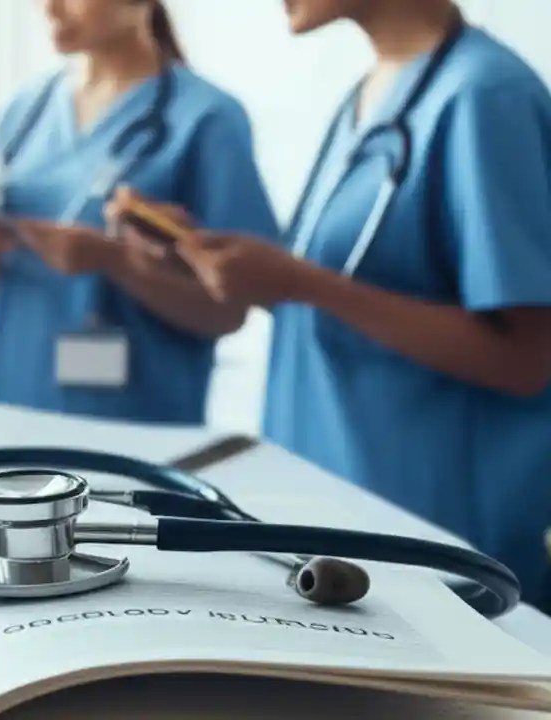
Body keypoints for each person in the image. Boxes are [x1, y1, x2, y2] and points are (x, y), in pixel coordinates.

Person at [167, 0, 551, 606]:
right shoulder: (370, 95)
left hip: (442, 559)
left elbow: (528, 359)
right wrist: (230, 266)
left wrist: (303, 282)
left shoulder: (486, 96)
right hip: (341, 529)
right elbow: (343, 303)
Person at [0, 0, 278, 424]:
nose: (49, 7)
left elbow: (229, 310)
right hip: (11, 405)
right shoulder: (23, 112)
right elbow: (7, 296)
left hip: (136, 423)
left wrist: (114, 262)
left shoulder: (206, 119)